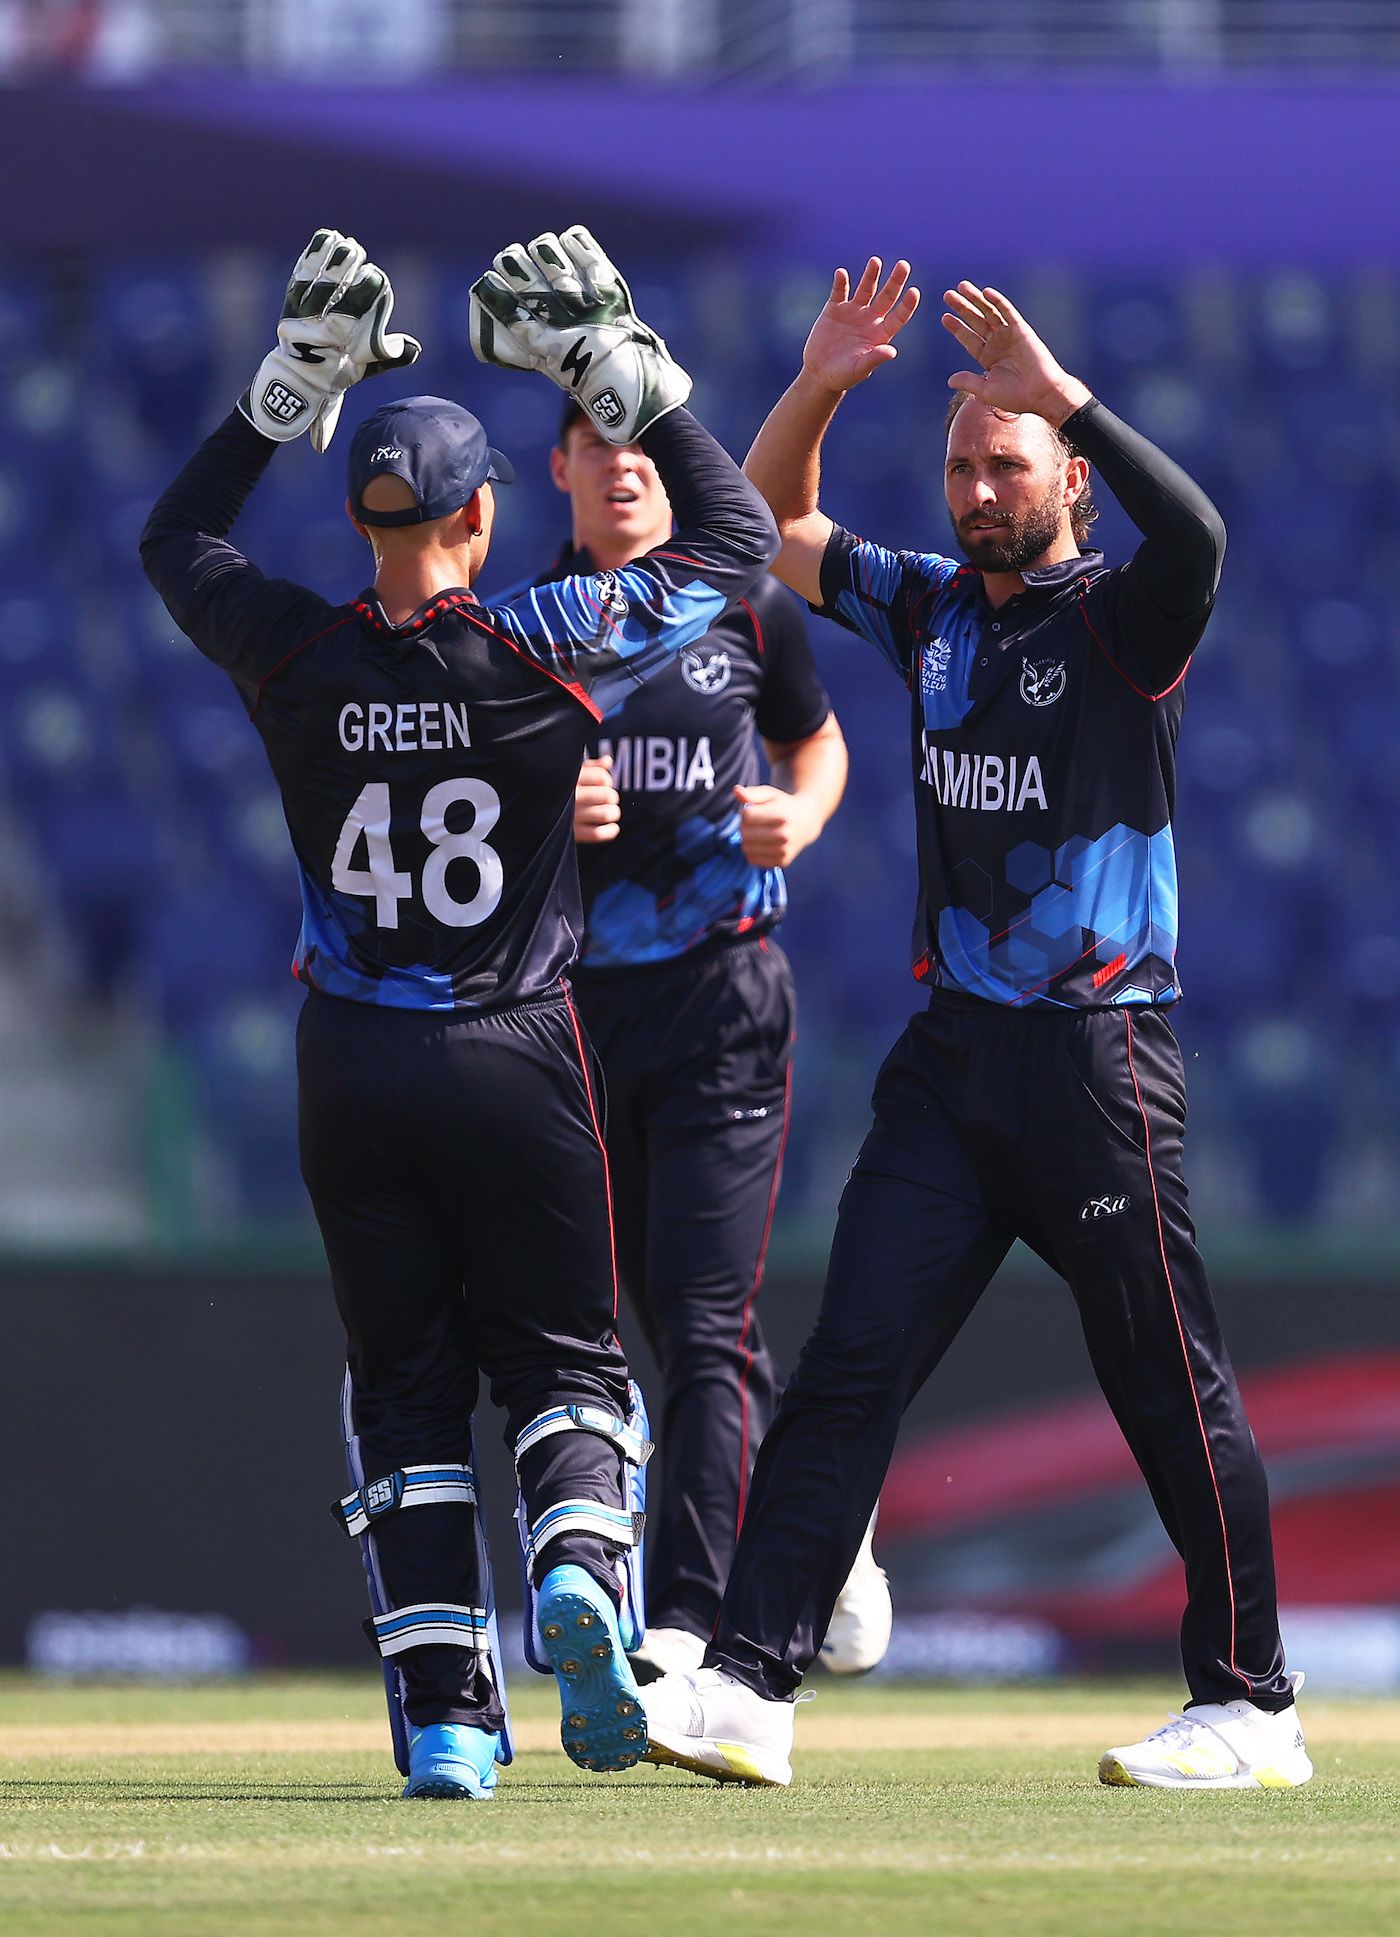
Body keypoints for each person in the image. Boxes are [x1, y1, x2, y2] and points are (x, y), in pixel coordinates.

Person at [641, 263, 1312, 1791]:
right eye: (962, 462)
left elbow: (1199, 534)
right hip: (952, 1068)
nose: (980, 485)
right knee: (847, 1367)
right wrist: (818, 381)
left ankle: (1253, 1704)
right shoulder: (934, 608)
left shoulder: (1125, 623)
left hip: (1098, 1065)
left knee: (1169, 1385)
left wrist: (1060, 385)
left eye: (1008, 462)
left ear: (1070, 480)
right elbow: (771, 523)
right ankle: (750, 1685)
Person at [140, 225, 781, 1800]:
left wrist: (284, 392)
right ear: (484, 518)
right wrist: (609, 369)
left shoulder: (292, 651)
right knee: (569, 1363)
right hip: (519, 1050)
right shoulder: (537, 642)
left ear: (370, 521)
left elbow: (175, 541)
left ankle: (443, 1717)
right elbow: (739, 537)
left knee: (407, 1390)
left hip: (350, 1062)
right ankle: (578, 1572)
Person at [524, 399, 886, 1680]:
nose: (621, 462)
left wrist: (801, 811)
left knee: (698, 1303)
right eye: (593, 440)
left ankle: (683, 1623)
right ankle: (822, 1530)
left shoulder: (742, 602)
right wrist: (542, 808)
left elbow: (818, 737)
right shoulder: (525, 634)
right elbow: (458, 808)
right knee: (670, 1326)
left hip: (723, 991)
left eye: (638, 440)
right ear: (557, 465)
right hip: (570, 1009)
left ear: (673, 462)